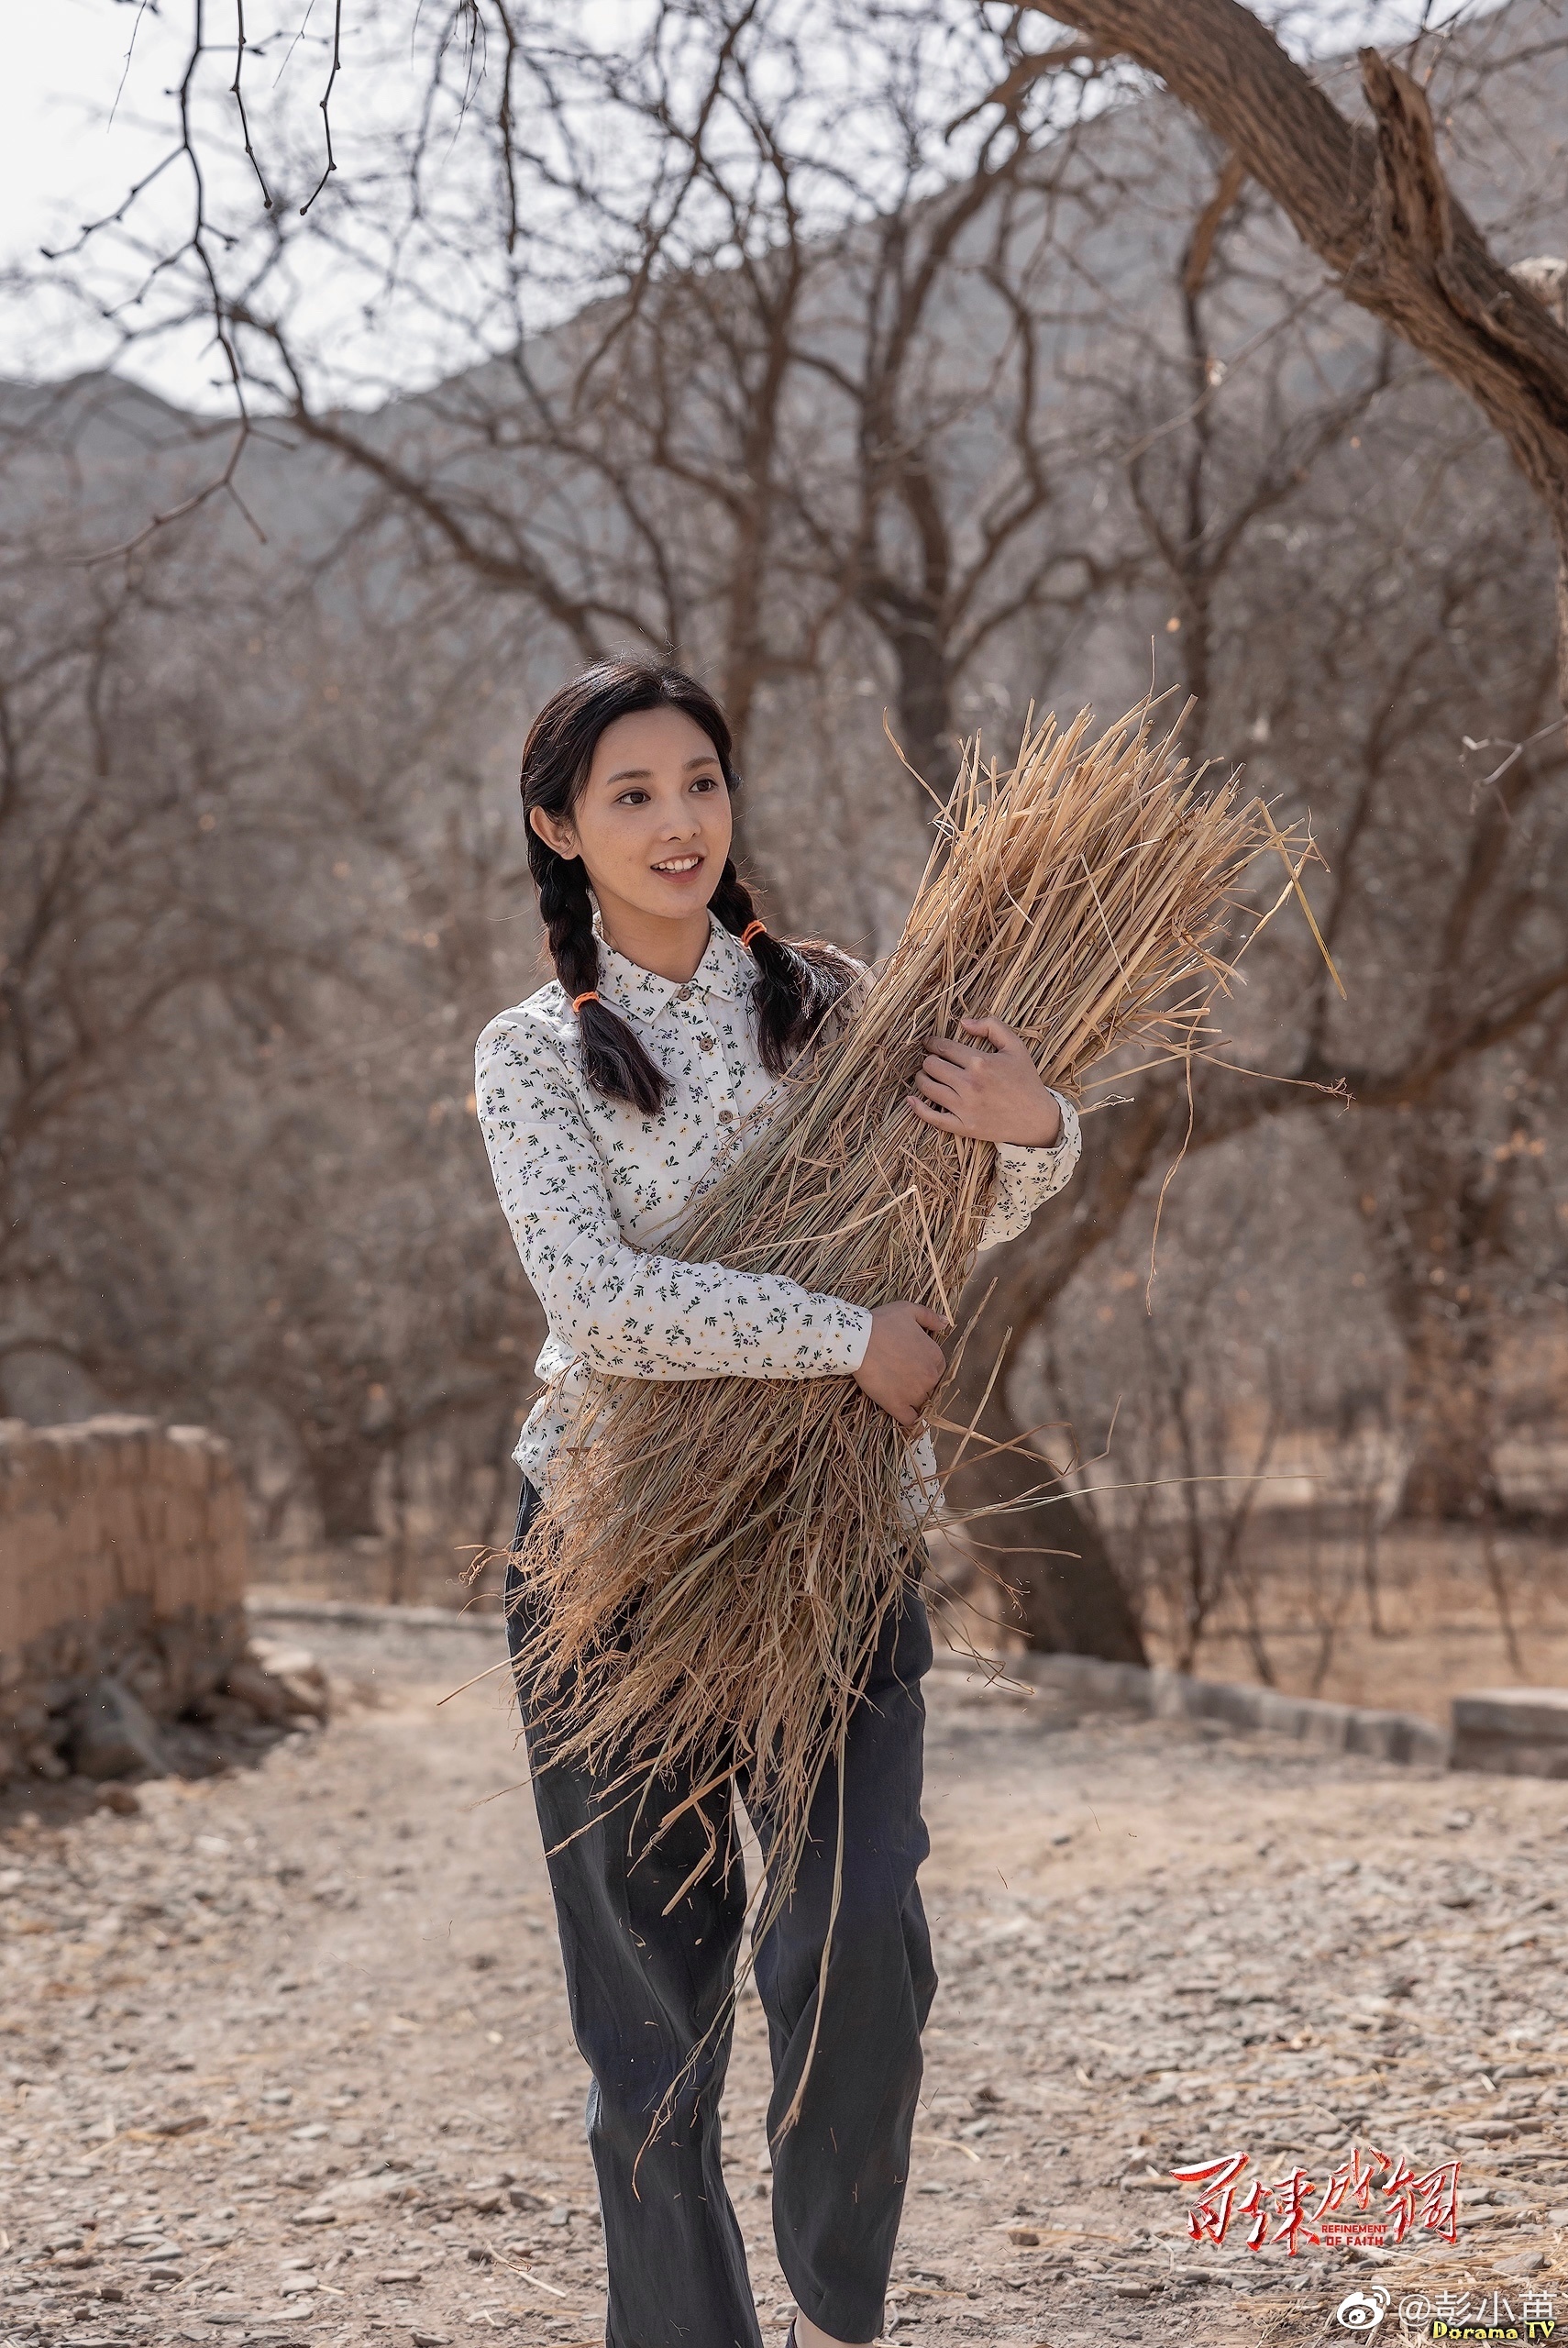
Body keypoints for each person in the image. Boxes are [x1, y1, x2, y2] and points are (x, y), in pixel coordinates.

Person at [475, 659, 1081, 2348]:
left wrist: (1039, 1131)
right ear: (559, 830)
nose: (679, 822)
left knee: (858, 1920)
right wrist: (844, 1338)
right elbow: (595, 1302)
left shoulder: (828, 999)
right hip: (613, 1550)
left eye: (700, 782)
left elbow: (961, 1207)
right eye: (630, 795)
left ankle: (837, 2310)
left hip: (838, 1547)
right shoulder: (532, 1056)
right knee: (650, 2008)